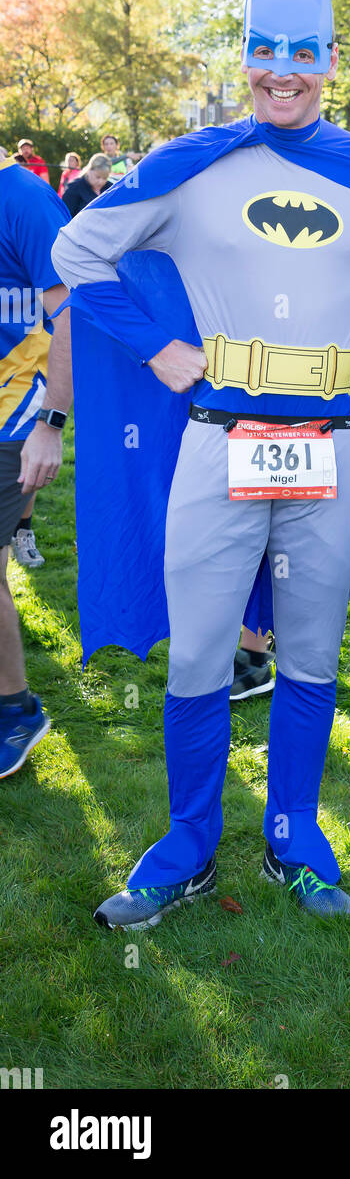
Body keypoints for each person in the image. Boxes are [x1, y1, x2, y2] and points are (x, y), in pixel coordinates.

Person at [51, 0, 350, 929]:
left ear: (330, 59)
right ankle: (185, 845)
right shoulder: (194, 164)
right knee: (197, 658)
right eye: (265, 51)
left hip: (330, 444)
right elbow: (78, 251)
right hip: (218, 441)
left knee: (310, 653)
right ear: (243, 58)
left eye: (302, 52)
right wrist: (158, 349)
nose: (284, 70)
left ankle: (293, 835)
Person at [0, 154, 72, 778]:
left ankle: (16, 711)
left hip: (11, 413)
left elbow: (70, 315)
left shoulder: (23, 198)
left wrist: (50, 423)